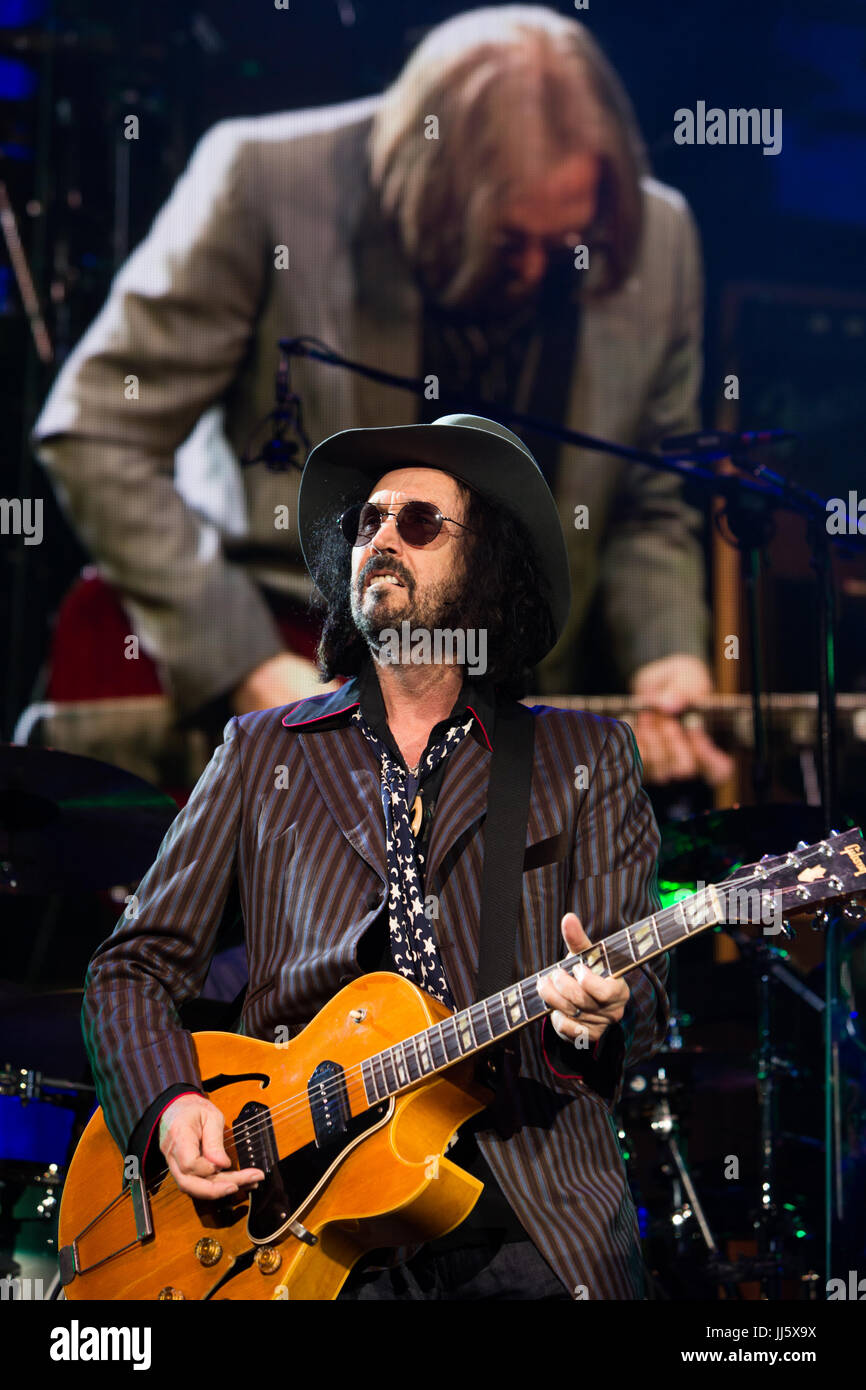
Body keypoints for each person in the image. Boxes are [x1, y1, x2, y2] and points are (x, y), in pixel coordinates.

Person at [31, 6, 730, 787]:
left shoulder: (658, 240)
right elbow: (95, 429)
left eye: (564, 243)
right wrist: (247, 664)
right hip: (286, 670)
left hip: (499, 741)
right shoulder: (263, 182)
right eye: (507, 244)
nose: (538, 272)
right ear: (431, 186)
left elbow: (648, 502)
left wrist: (666, 654)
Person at [82, 414, 670, 1300]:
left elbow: (646, 1004)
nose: (383, 536)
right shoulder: (261, 750)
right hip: (299, 1220)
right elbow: (130, 970)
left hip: (526, 1215)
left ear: (487, 567)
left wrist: (593, 1016)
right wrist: (170, 1105)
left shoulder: (582, 758)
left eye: (420, 523)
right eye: (369, 521)